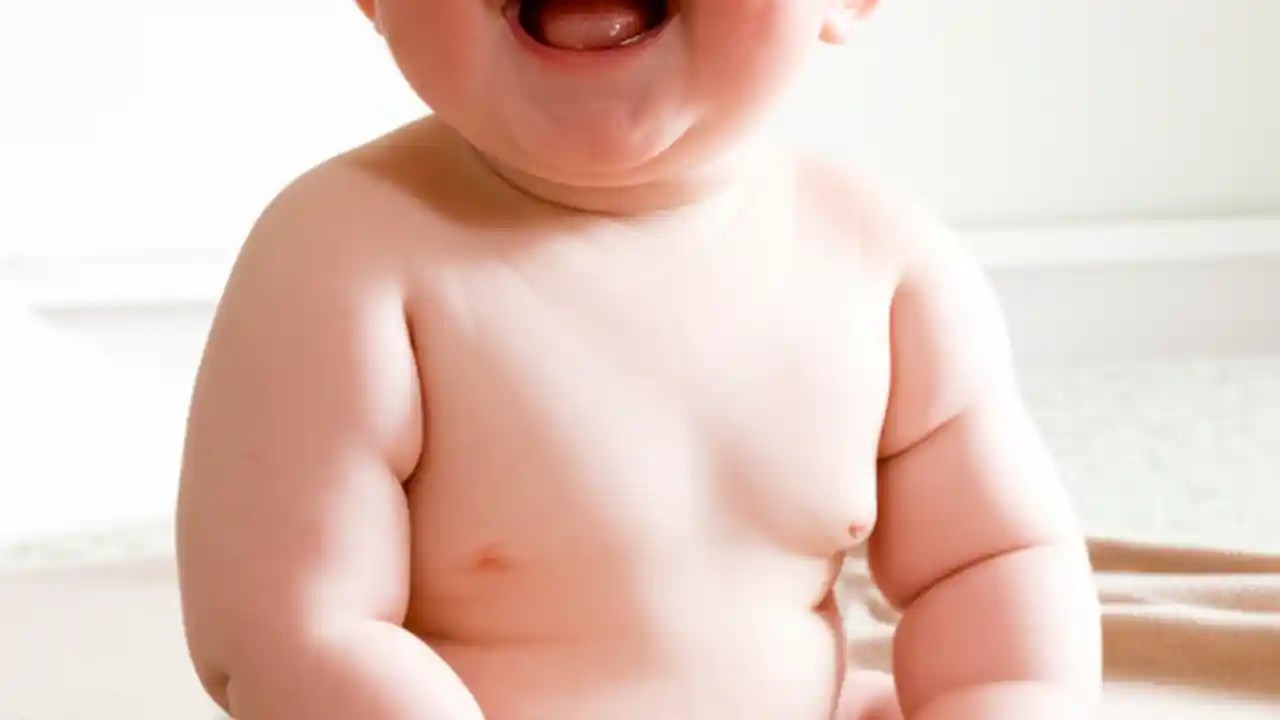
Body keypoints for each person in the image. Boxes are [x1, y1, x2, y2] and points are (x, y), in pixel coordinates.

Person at [176, 1, 1102, 717]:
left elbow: (989, 560)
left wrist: (1004, 698)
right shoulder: (344, 253)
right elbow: (292, 631)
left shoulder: (885, 263)